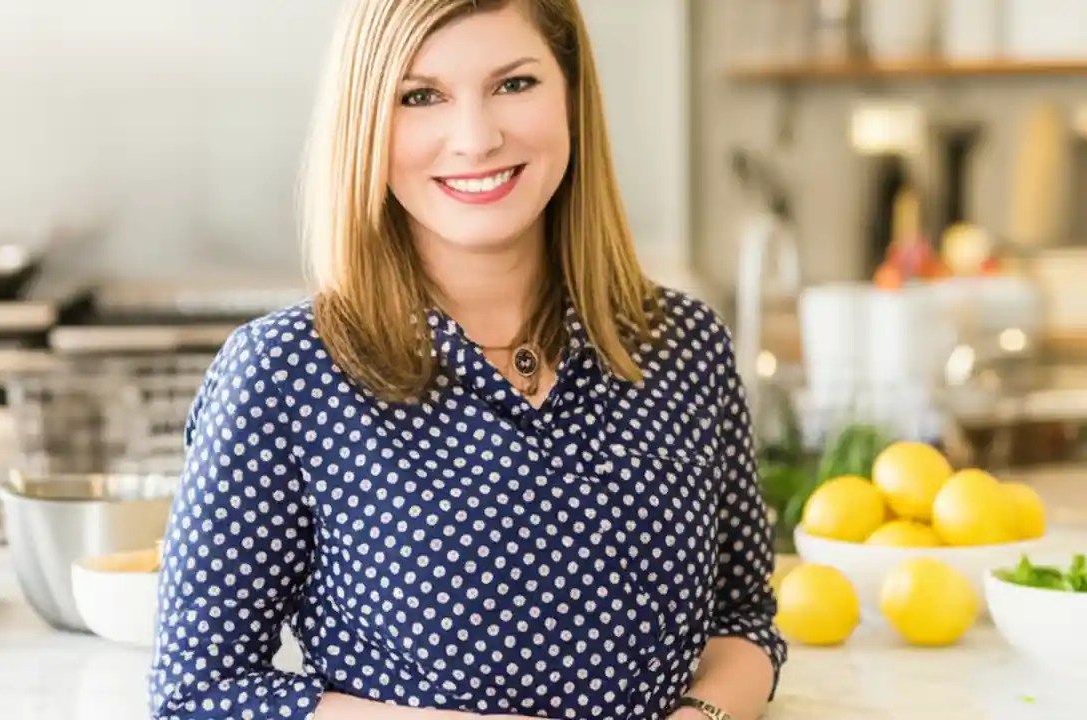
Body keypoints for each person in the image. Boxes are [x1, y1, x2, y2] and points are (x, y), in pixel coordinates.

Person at [149, 0, 787, 718]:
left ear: (572, 96)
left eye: (514, 84)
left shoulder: (684, 344)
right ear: (367, 121)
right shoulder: (283, 373)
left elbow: (743, 620)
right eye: (421, 97)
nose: (476, 138)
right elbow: (201, 690)